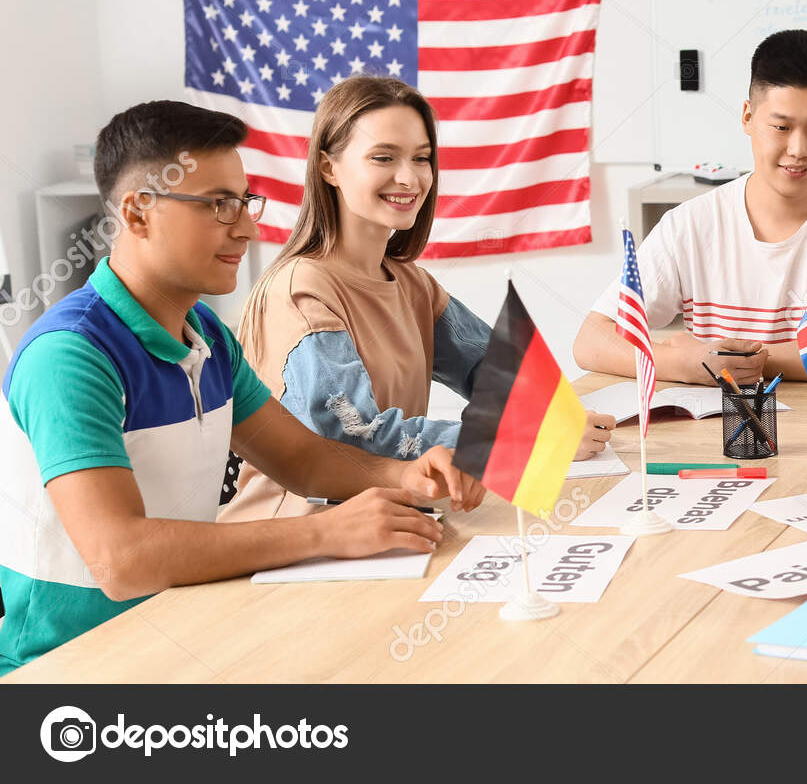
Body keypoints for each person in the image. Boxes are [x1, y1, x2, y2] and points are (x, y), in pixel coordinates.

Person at [0, 101, 486, 675]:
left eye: (245, 201)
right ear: (136, 213)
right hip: (73, 666)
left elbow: (303, 458)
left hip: (185, 624)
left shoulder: (206, 335)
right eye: (218, 205)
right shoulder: (70, 355)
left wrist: (402, 474)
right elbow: (121, 561)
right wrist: (322, 532)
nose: (248, 227)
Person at [224, 76, 611, 522]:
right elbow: (358, 437)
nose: (409, 177)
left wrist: (555, 417)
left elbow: (498, 375)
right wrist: (523, 441)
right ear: (329, 168)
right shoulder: (299, 291)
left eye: (422, 158)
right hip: (292, 545)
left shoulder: (412, 284)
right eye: (383, 157)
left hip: (390, 527)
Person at [573, 29, 807, 386]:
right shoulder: (690, 225)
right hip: (716, 430)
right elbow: (591, 341)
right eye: (781, 126)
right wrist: (683, 363)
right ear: (747, 117)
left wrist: (737, 361)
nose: (799, 149)